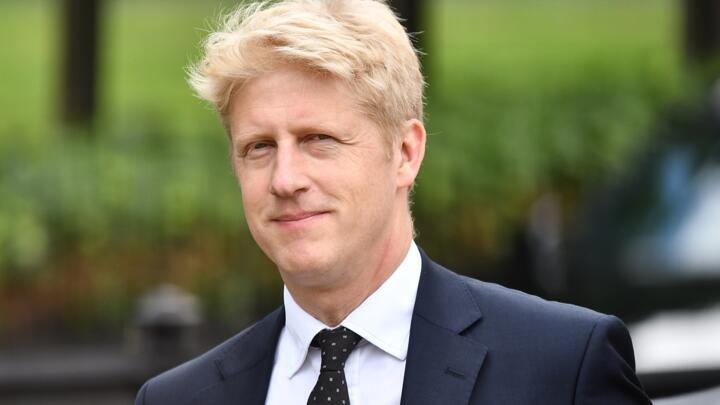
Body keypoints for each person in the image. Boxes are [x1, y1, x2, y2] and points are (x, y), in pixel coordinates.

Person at [135, 0, 651, 404]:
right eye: (259, 147)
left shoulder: (561, 366)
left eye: (319, 140)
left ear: (405, 153)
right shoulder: (179, 399)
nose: (285, 179)